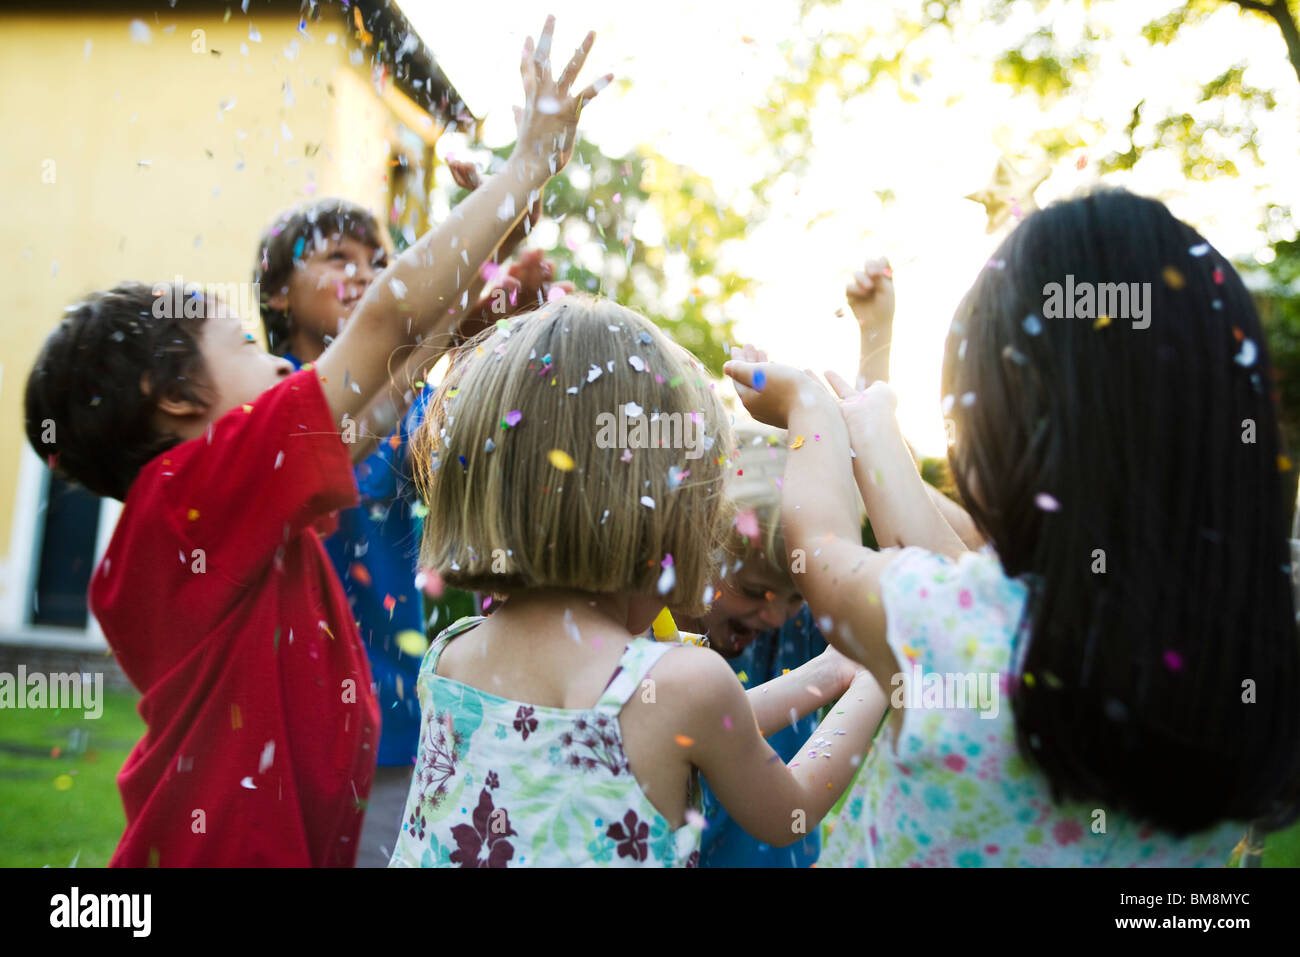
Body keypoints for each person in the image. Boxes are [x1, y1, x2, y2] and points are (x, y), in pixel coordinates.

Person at [22, 13, 604, 866]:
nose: (268, 365)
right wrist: (526, 165)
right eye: (244, 348)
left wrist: (459, 325)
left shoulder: (218, 511)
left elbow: (381, 394)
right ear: (180, 396)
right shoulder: (191, 496)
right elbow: (385, 322)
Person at [725, 188, 1300, 866]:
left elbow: (821, 548)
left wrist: (808, 410)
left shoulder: (962, 631)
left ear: (1011, 429)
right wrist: (869, 425)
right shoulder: (1247, 660)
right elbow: (939, 560)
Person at [389, 295, 885, 867]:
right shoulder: (680, 686)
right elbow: (787, 812)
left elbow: (690, 722)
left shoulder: (454, 655)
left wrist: (826, 673)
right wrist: (874, 675)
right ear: (662, 517)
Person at [253, 181, 567, 867]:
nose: (365, 274)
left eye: (379, 259)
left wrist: (500, 313)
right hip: (282, 722)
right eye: (337, 257)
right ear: (278, 295)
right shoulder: (269, 398)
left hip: (390, 722)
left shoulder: (416, 402)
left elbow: (471, 423)